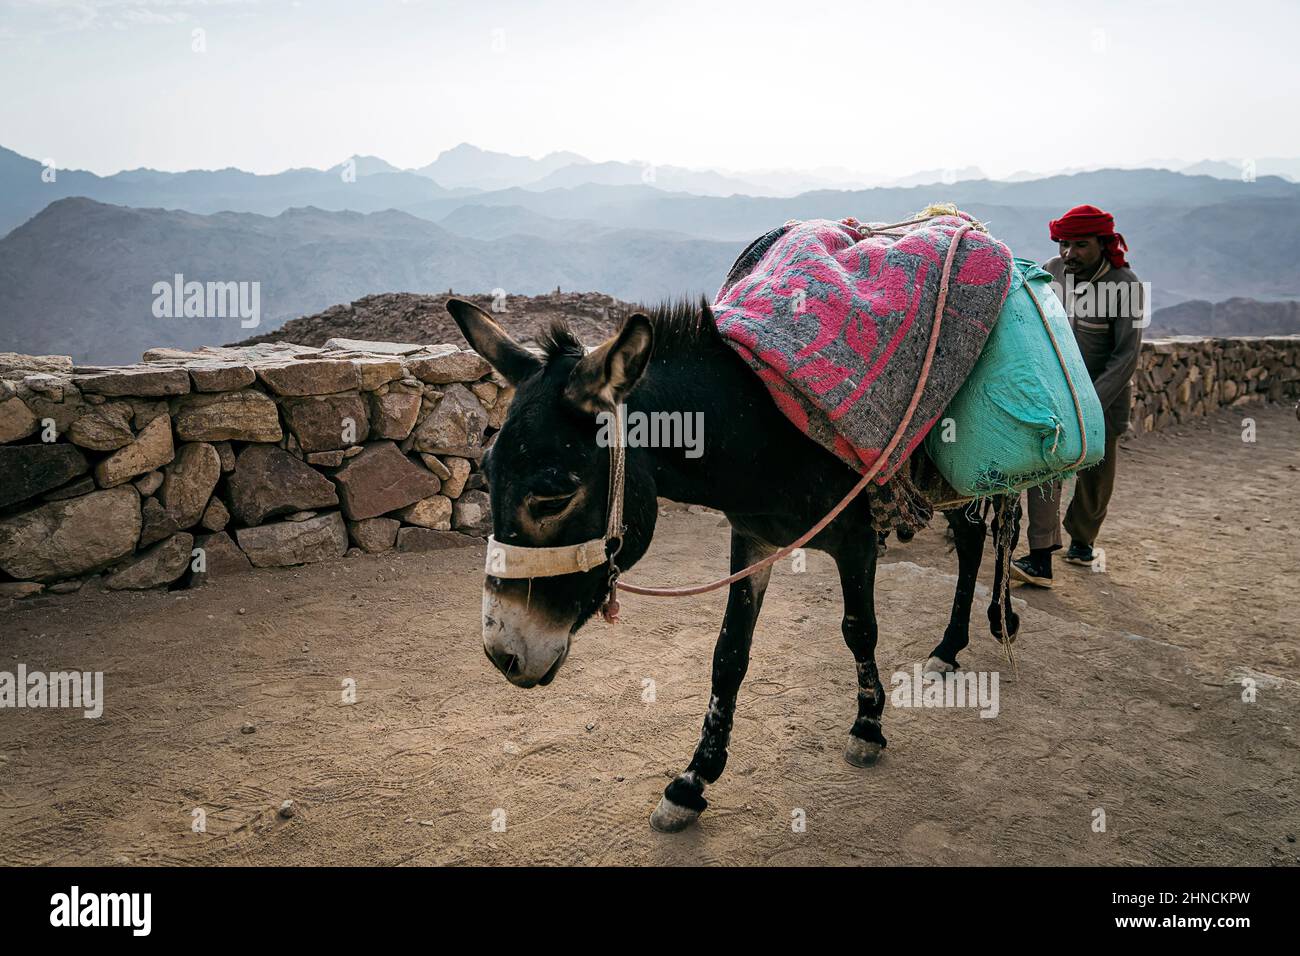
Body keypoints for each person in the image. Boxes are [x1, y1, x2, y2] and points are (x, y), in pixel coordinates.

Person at [1012, 204, 1145, 587]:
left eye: (1081, 245)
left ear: (1104, 244)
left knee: (1096, 476)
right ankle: (1042, 555)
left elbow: (1126, 357)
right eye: (1065, 244)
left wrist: (1087, 403)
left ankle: (1082, 541)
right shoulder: (1052, 271)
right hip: (1056, 393)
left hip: (1105, 398)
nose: (1070, 253)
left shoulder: (1126, 285)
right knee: (1048, 462)